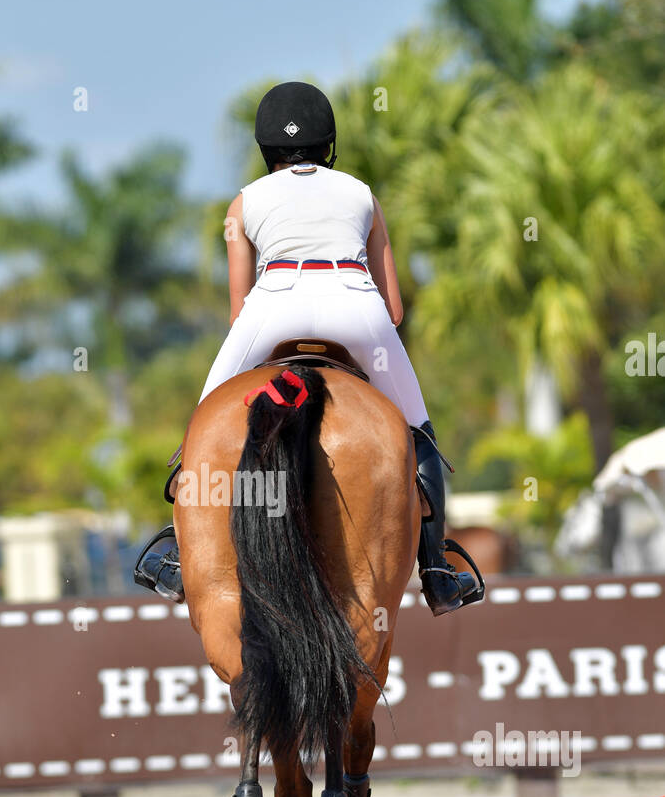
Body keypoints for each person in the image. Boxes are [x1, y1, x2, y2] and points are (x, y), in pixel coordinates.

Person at [134, 81, 483, 616]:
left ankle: (178, 555)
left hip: (274, 305)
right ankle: (437, 570)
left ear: (265, 149)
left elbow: (237, 308)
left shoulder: (245, 201)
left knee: (201, 428)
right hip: (357, 305)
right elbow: (394, 309)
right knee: (421, 435)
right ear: (329, 143)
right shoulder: (361, 193)